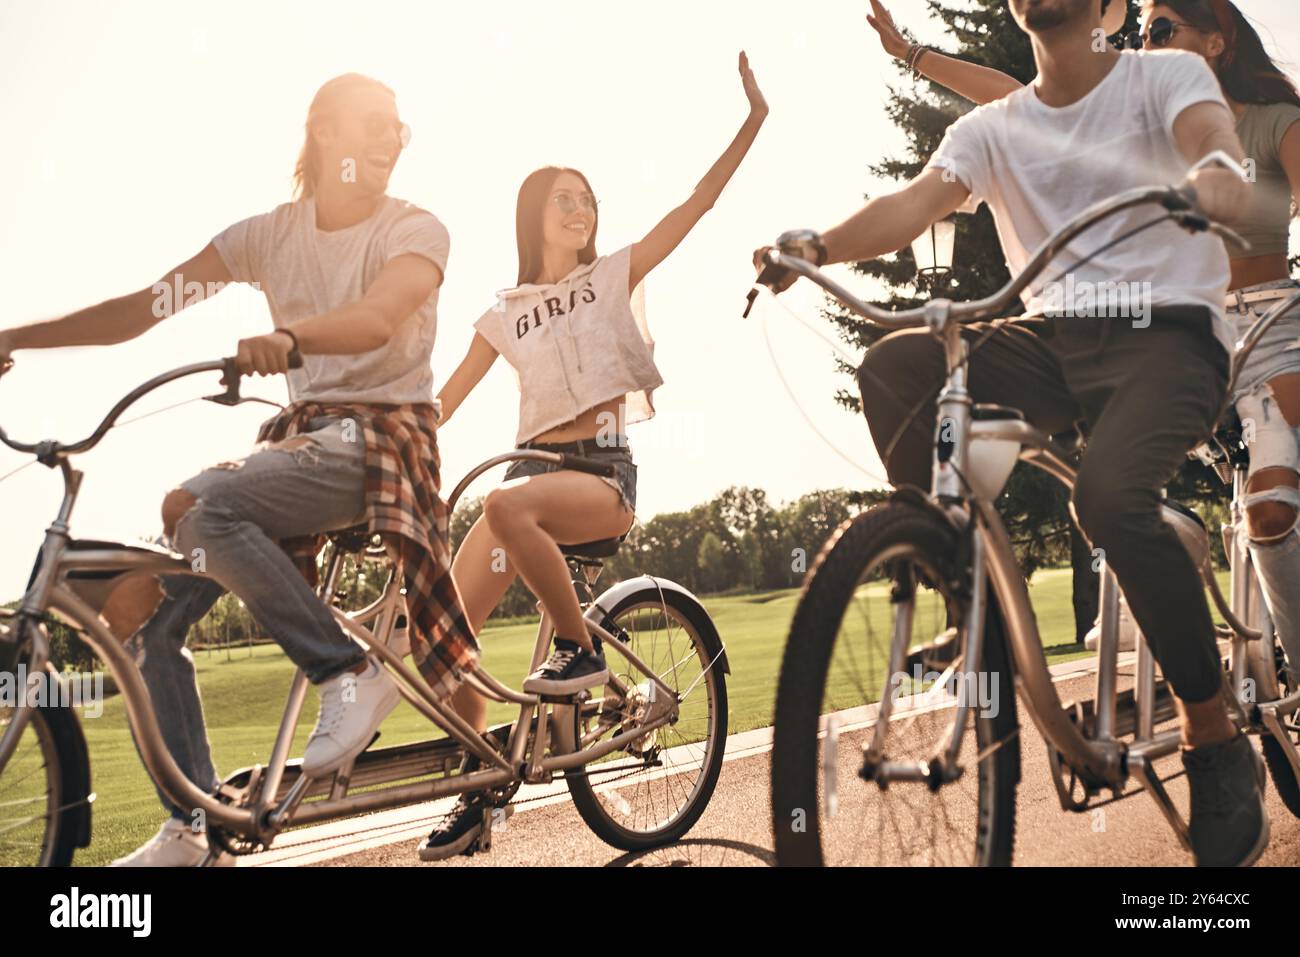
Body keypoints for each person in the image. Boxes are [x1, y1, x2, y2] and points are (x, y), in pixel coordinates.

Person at [760, 0, 1266, 866]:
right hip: (1055, 341)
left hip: (1169, 333)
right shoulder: (993, 126)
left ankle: (1214, 736)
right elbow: (914, 202)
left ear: (1109, 5)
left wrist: (1216, 178)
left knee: (1106, 500)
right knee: (897, 365)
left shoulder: (1164, 75)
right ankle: (968, 592)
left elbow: (1210, 138)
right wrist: (818, 245)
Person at [0, 73, 477, 866]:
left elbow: (377, 318)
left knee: (197, 504)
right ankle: (196, 827)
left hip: (383, 444)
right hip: (299, 448)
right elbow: (143, 308)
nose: (390, 141)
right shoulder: (264, 238)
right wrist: (14, 334)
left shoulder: (415, 228)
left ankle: (347, 670)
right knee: (149, 617)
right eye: (372, 125)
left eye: (398, 129)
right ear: (324, 133)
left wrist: (294, 340)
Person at [868, 0, 1300, 677]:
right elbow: (1015, 100)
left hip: (1266, 326)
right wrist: (914, 56)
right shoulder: (1131, 115)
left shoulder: (1268, 122)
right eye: (1144, 33)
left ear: (1215, 43)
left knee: (1271, 498)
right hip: (1167, 329)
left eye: (1162, 32)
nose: (1144, 45)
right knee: (1109, 481)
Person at [417, 51, 769, 861]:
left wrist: (751, 120)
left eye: (588, 199)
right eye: (564, 198)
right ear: (533, 214)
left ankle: (576, 650)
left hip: (599, 480)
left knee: (506, 504)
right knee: (442, 638)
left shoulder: (613, 274)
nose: (580, 208)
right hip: (528, 482)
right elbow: (444, 401)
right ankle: (479, 797)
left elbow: (699, 203)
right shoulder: (503, 311)